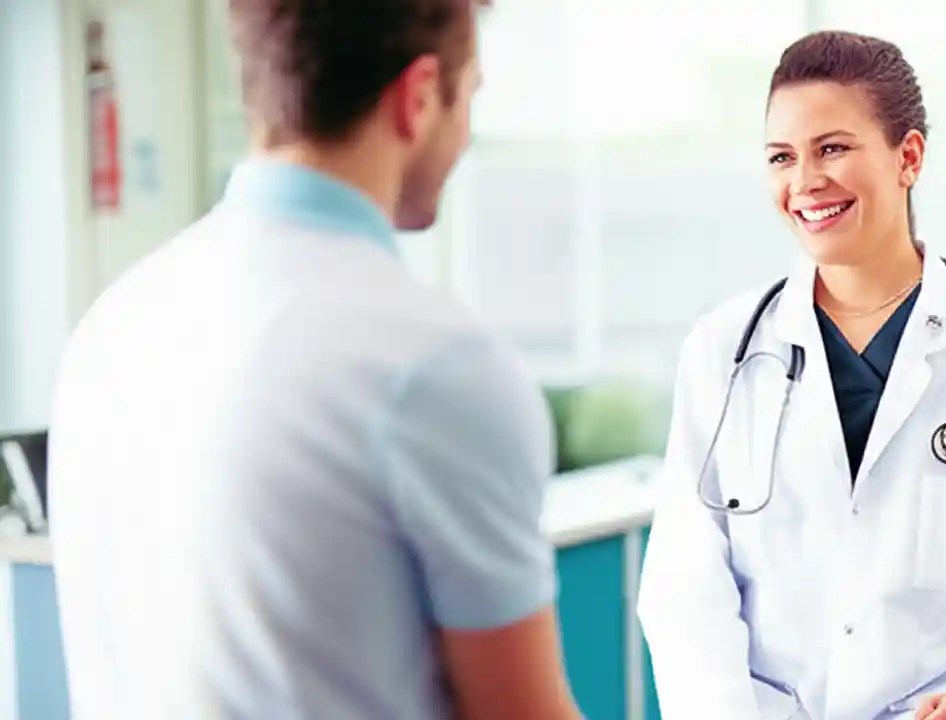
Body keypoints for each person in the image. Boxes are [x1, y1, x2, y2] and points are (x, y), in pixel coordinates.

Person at [48, 2, 582, 718]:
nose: (466, 134)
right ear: (419, 96)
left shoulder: (110, 328)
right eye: (470, 94)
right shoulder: (436, 364)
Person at [637, 31, 946, 720]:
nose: (804, 181)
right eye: (782, 157)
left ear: (909, 156)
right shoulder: (724, 349)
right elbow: (686, 580)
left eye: (832, 147)